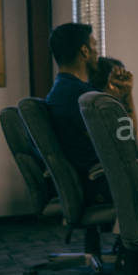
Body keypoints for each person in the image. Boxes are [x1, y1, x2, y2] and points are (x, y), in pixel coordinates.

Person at [44, 24, 105, 191]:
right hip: (103, 182)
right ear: (84, 51)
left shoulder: (59, 92)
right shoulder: (85, 97)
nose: (97, 52)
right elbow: (125, 141)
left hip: (86, 179)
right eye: (94, 45)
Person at [91, 57, 138, 162]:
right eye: (122, 79)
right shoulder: (106, 109)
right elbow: (129, 140)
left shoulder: (92, 103)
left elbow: (127, 138)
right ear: (112, 85)